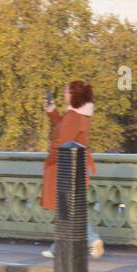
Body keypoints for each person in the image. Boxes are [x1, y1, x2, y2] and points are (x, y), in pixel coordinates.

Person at [40, 80, 104, 259]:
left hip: (63, 167)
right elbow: (63, 126)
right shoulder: (79, 115)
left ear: (74, 95)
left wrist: (49, 162)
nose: (64, 95)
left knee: (67, 208)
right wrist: (52, 111)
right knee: (67, 208)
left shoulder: (73, 117)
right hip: (75, 165)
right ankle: (57, 247)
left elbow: (61, 142)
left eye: (67, 92)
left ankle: (93, 239)